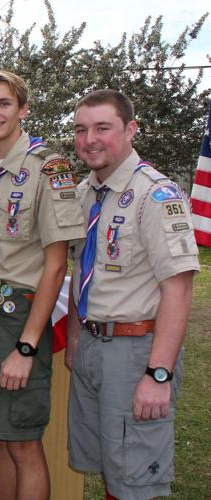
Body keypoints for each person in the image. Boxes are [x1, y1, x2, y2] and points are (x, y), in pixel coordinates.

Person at [0, 70, 84, 500]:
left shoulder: (50, 169)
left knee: (23, 441)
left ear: (23, 109)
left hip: (17, 322)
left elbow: (55, 266)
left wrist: (27, 347)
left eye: (3, 103)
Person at [67, 89, 199, 499]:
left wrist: (158, 374)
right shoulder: (84, 192)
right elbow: (81, 271)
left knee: (136, 478)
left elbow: (178, 287)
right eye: (81, 129)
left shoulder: (156, 195)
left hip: (135, 350)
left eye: (103, 128)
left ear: (130, 130)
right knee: (111, 467)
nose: (90, 139)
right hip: (92, 345)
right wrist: (75, 338)